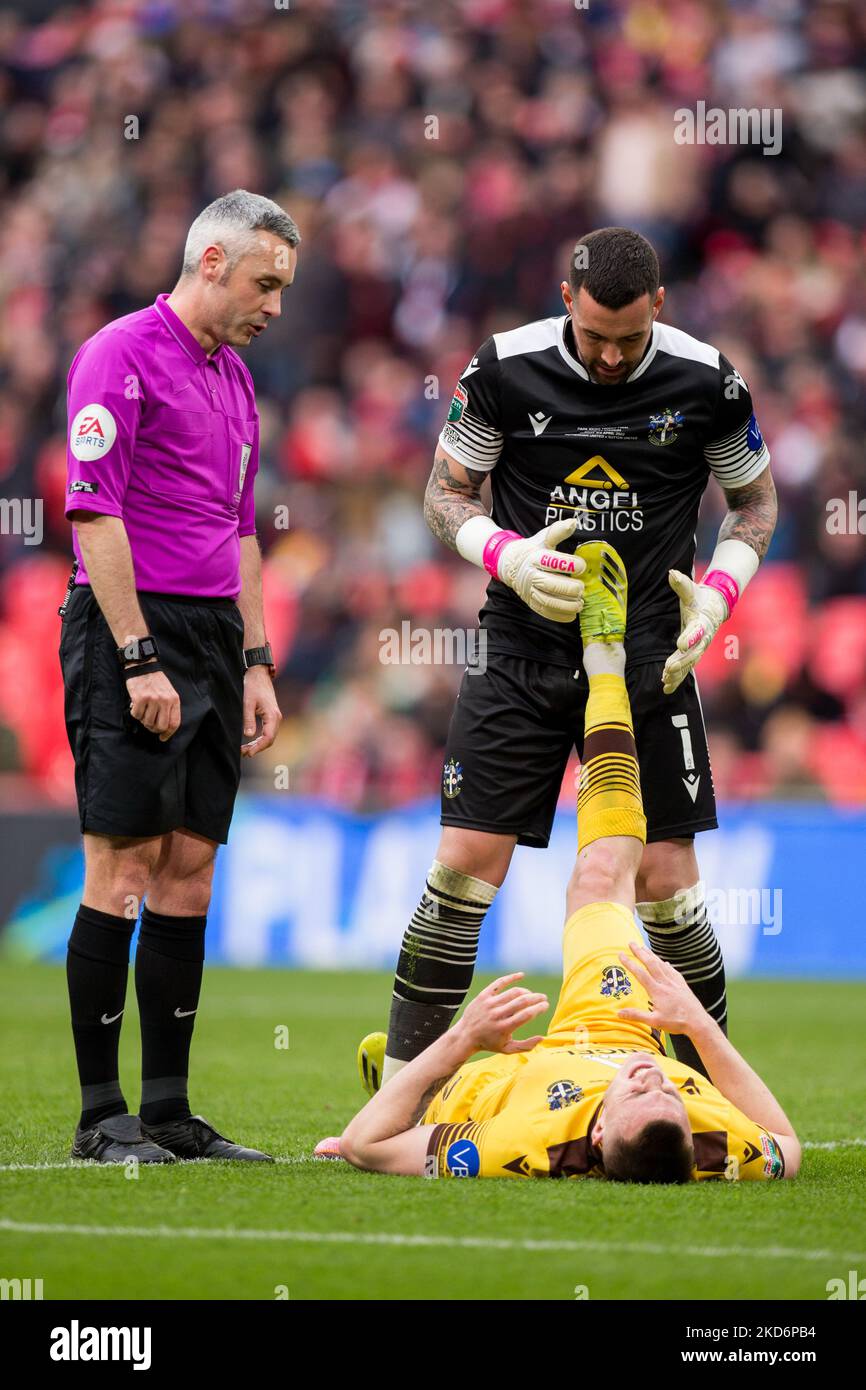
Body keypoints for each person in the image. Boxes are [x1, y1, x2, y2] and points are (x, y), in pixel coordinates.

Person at [363, 225, 777, 1093]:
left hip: (651, 660)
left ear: (660, 306)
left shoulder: (707, 379)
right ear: (566, 303)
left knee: (665, 885)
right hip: (521, 646)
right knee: (465, 864)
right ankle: (403, 1097)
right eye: (595, 338)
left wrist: (722, 591)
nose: (613, 357)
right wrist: (504, 554)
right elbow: (444, 491)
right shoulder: (503, 369)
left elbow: (753, 503)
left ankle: (710, 1092)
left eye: (630, 340)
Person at [326, 543, 799, 1183]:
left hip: (507, 1077)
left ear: (598, 1132)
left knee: (429, 1094)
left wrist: (460, 1040)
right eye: (672, 1099)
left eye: (640, 1095)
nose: (655, 1085)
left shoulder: (520, 1146)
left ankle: (412, 1077)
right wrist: (694, 1029)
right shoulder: (713, 1147)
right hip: (615, 1026)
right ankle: (606, 662)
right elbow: (787, 1149)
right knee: (605, 874)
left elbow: (362, 1146)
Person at [60, 190, 298, 1164]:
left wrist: (253, 659)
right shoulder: (117, 354)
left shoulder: (236, 378)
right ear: (209, 261)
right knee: (119, 866)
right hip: (133, 629)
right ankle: (98, 1115)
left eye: (283, 286)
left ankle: (166, 1110)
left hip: (211, 639)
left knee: (189, 872)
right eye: (264, 282)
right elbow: (93, 514)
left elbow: (239, 531)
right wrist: (136, 655)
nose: (273, 304)